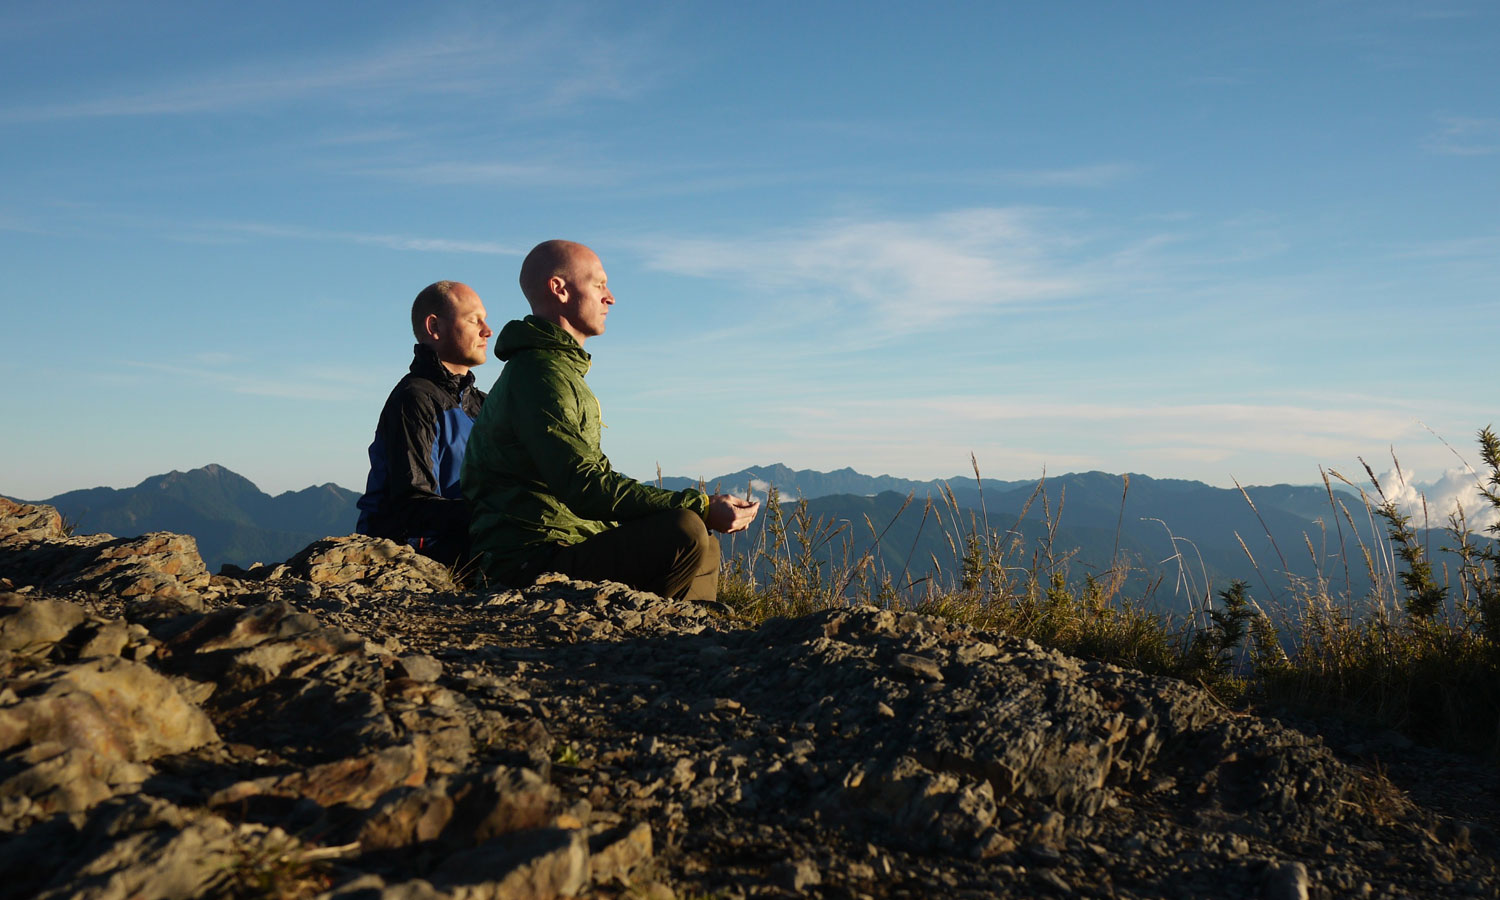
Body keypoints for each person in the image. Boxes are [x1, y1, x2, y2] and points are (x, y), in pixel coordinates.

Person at [462, 240, 758, 600]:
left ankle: (699, 642)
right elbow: (585, 486)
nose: (610, 297)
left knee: (704, 543)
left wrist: (700, 511)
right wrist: (701, 505)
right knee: (685, 529)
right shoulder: (539, 375)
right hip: (529, 560)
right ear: (559, 289)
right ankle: (656, 638)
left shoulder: (557, 370)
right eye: (599, 285)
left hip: (566, 544)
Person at [356, 281, 491, 567]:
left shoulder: (483, 404)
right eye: (473, 320)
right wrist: (494, 515)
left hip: (469, 543)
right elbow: (411, 503)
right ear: (434, 327)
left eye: (485, 320)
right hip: (414, 555)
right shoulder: (414, 399)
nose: (487, 331)